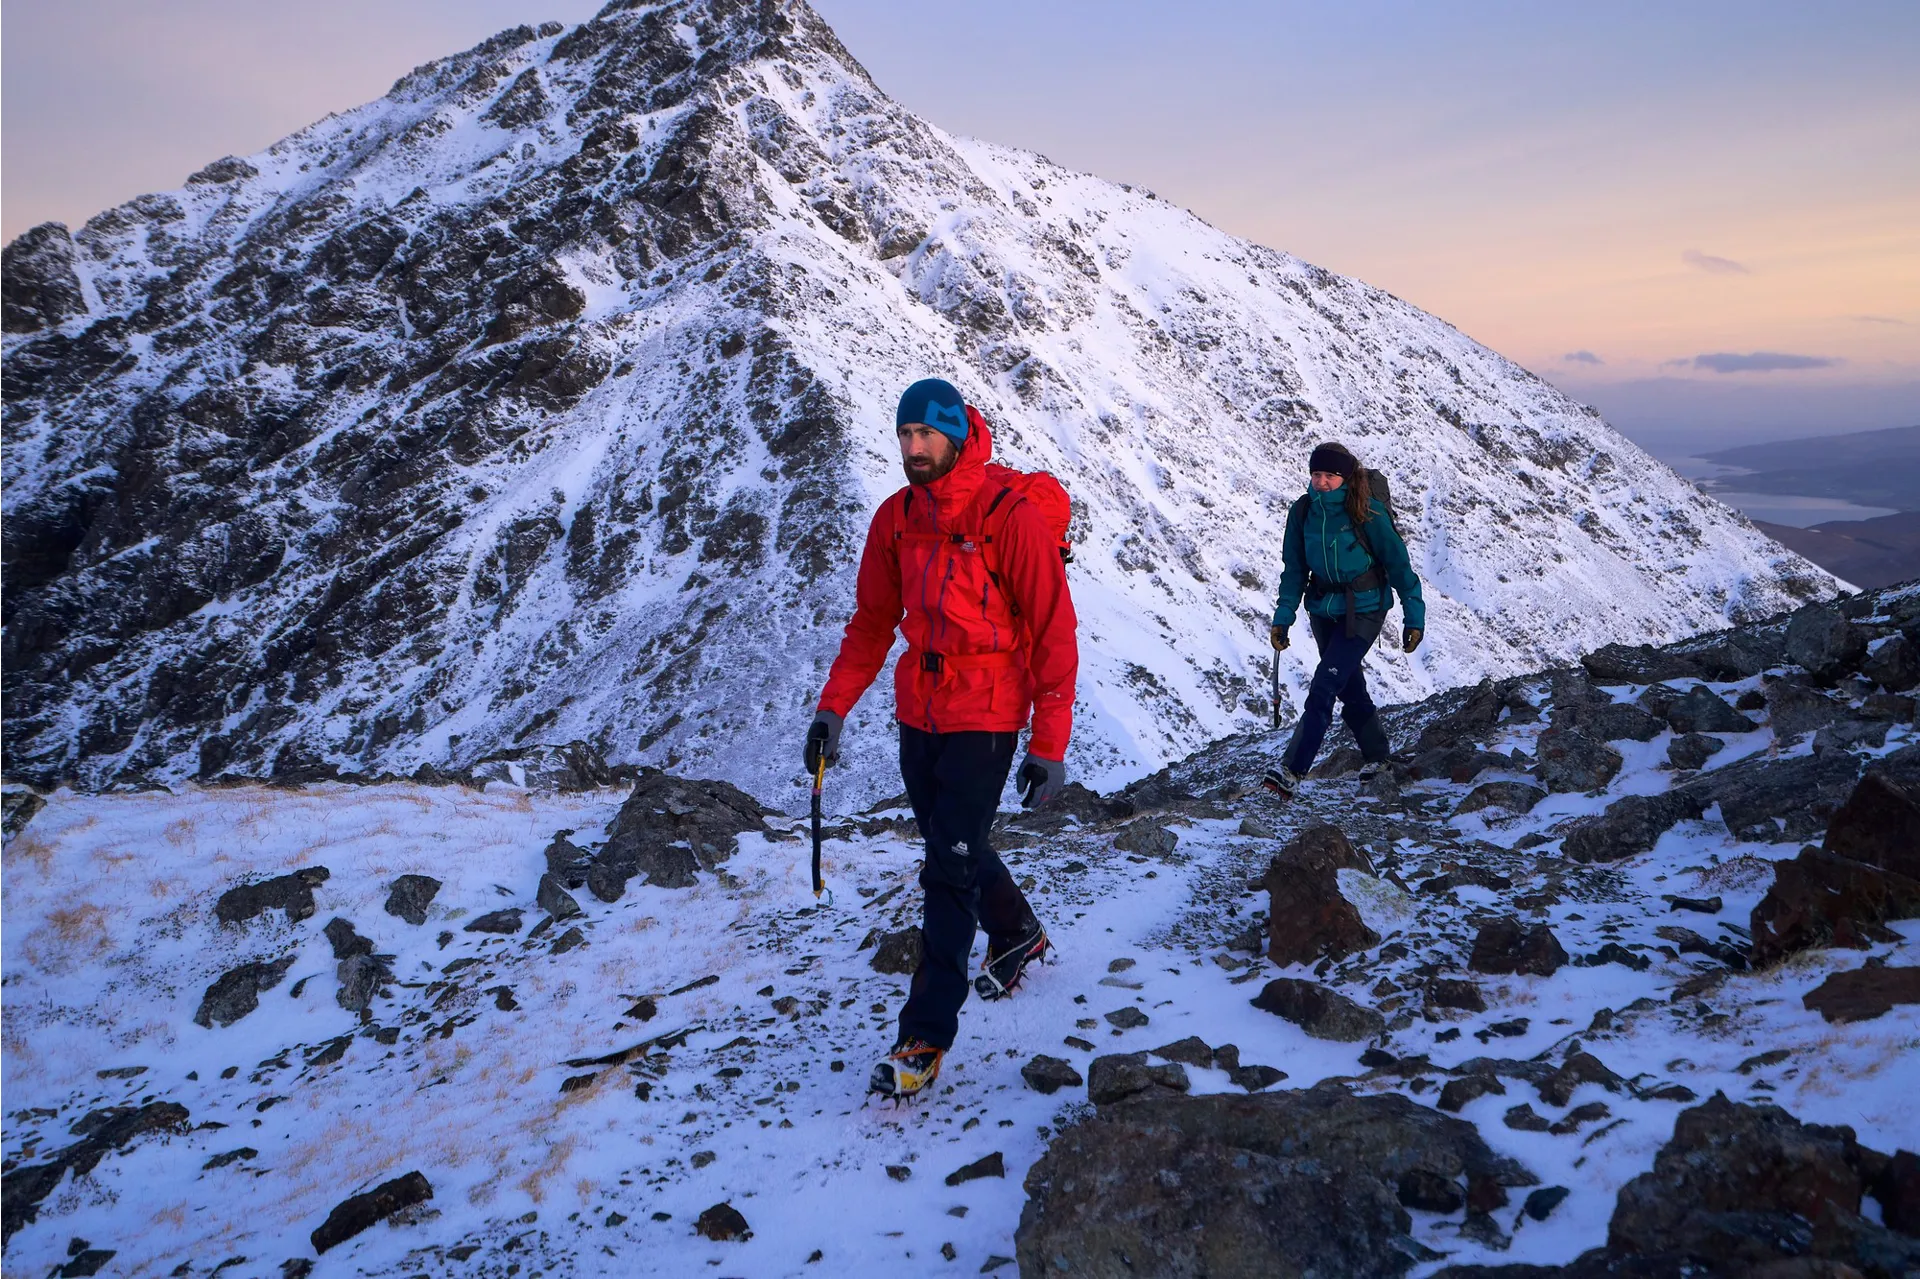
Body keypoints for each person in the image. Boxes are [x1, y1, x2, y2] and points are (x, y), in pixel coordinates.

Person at [804, 377, 1079, 1101]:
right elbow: (870, 625)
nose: (914, 448)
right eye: (904, 435)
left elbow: (1054, 632)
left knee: (946, 870)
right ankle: (1017, 928)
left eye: (926, 435)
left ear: (956, 436)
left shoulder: (1007, 518)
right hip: (918, 711)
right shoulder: (895, 519)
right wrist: (834, 709)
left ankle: (923, 1038)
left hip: (987, 711)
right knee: (948, 843)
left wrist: (1048, 744)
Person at [1262, 442, 1425, 798]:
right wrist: (1282, 618)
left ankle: (1291, 770)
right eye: (1316, 474)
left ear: (1345, 478)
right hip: (1322, 609)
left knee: (1324, 685)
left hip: (1365, 608)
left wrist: (1414, 616)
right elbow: (1294, 571)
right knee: (1350, 688)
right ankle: (1378, 758)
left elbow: (1399, 566)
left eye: (1330, 476)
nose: (1321, 482)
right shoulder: (1303, 512)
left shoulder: (1369, 513)